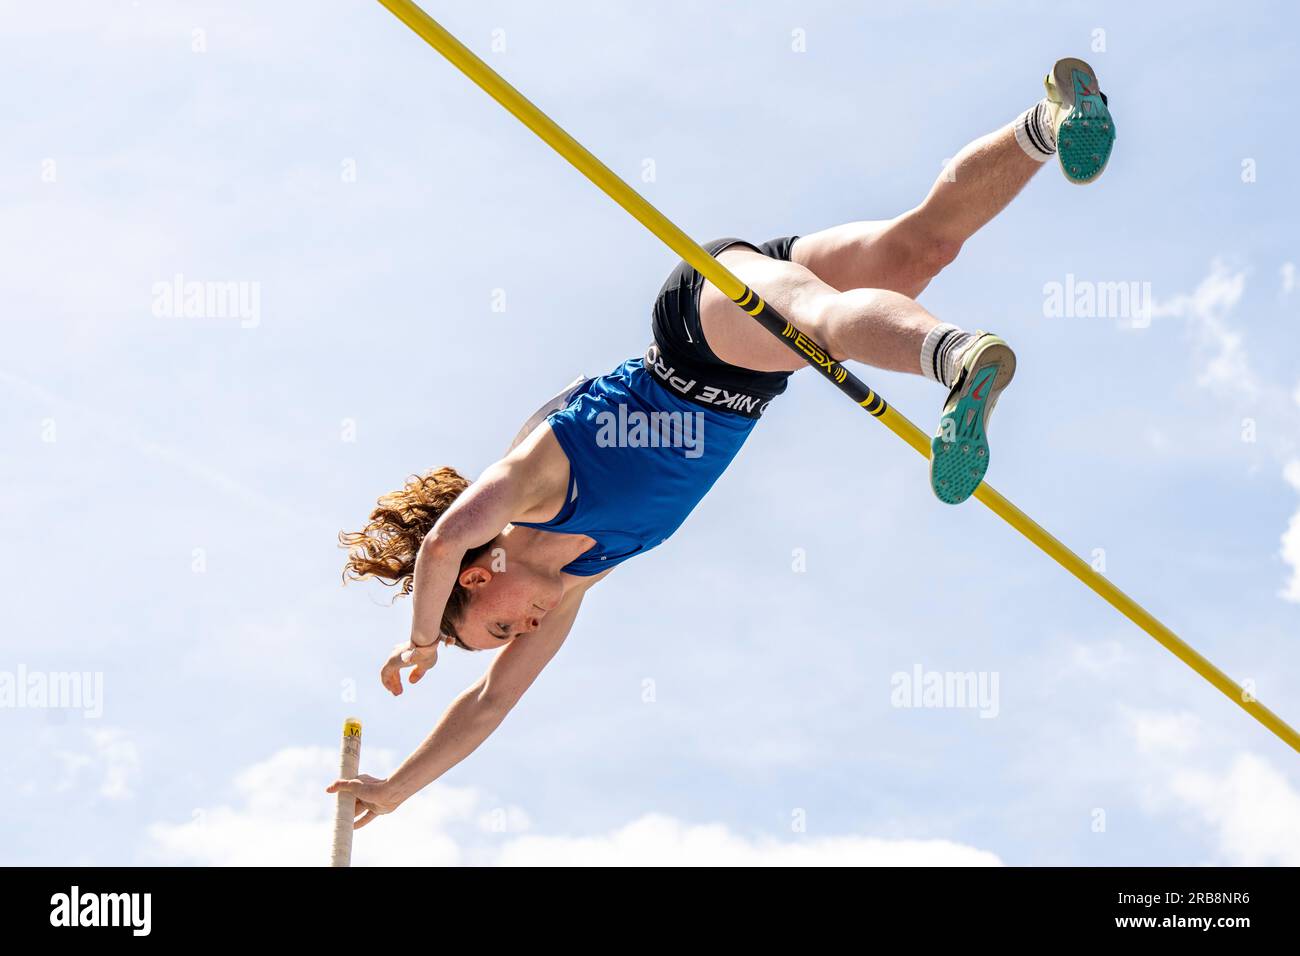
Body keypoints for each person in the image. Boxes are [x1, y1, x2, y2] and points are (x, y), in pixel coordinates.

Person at [326, 58, 1115, 826]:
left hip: (695, 341)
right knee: (921, 249)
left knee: (822, 328)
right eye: (508, 638)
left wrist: (419, 642)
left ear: (475, 578)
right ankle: (1052, 119)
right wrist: (398, 789)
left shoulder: (527, 485)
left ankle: (956, 359)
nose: (519, 633)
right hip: (747, 375)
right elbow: (491, 702)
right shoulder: (574, 588)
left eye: (499, 625)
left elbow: (439, 542)